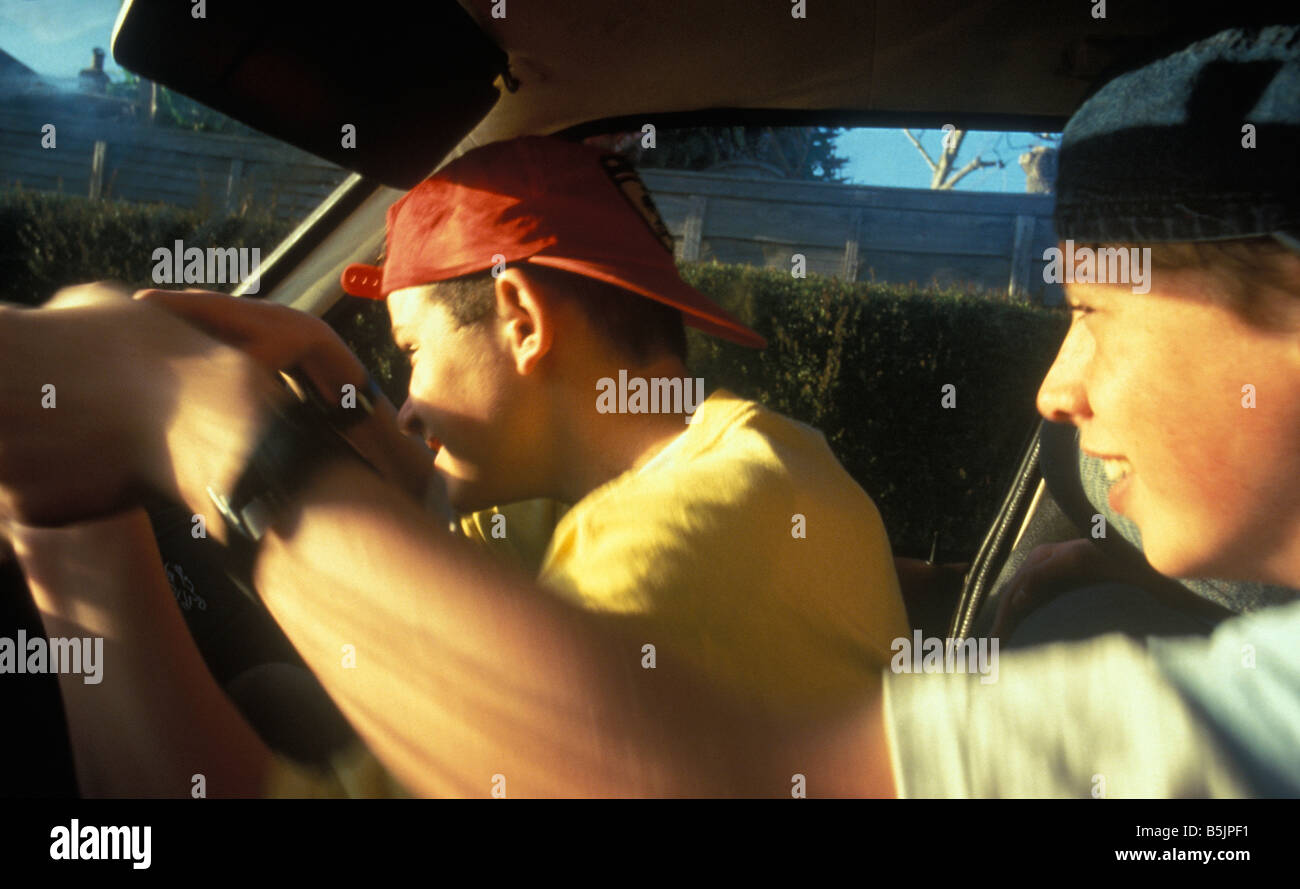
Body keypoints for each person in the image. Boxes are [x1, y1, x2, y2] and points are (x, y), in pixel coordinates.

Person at [0, 137, 908, 796]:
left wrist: (77, 516)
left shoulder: (675, 546)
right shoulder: (757, 459)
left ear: (519, 318)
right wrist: (332, 371)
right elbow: (451, 549)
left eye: (409, 353)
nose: (405, 403)